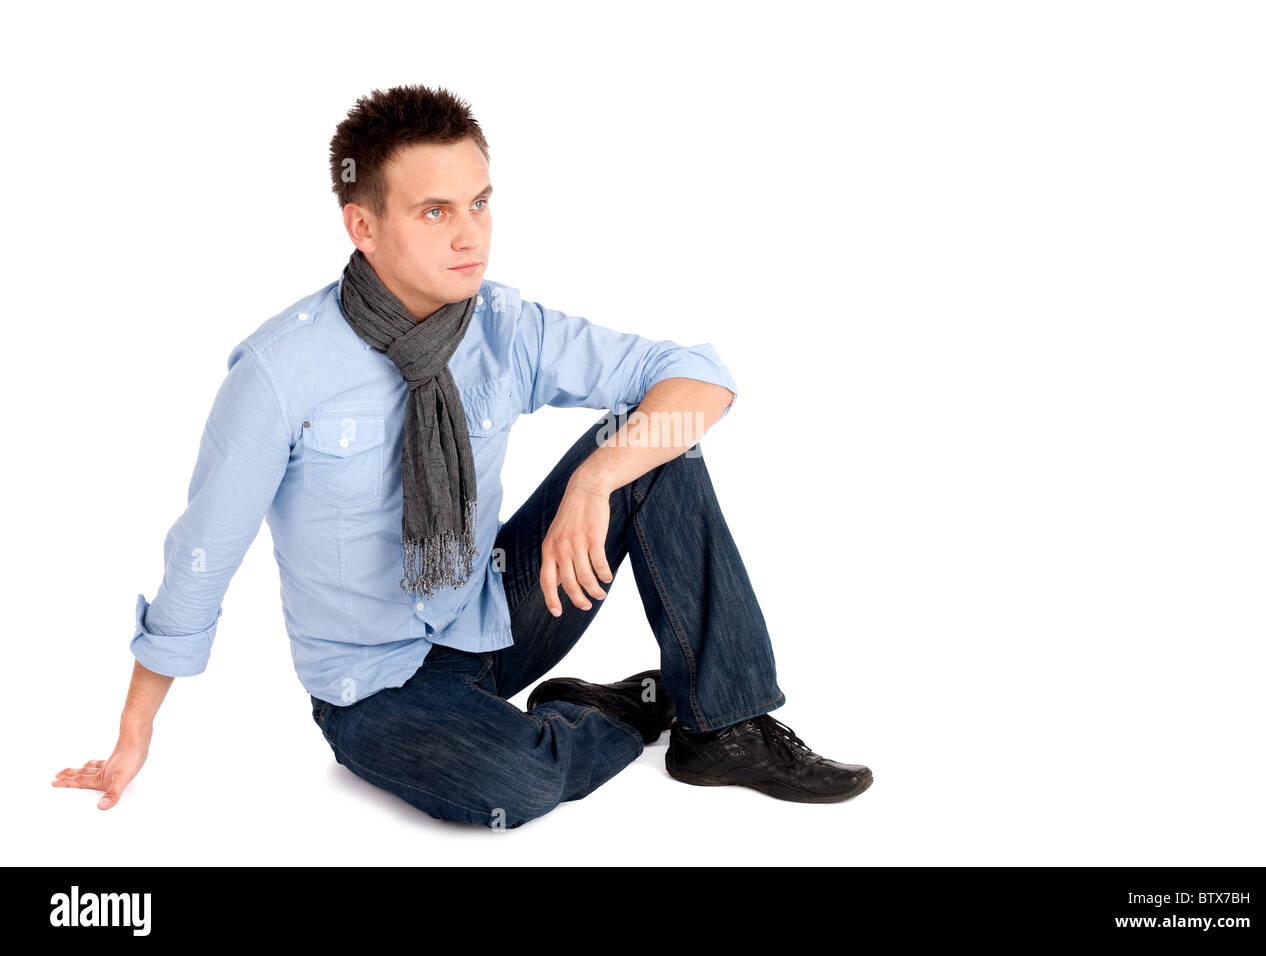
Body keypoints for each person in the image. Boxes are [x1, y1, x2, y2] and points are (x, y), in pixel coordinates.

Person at [53, 84, 872, 828]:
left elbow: (700, 379)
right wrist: (133, 734)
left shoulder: (503, 325)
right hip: (374, 692)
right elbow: (203, 554)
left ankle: (722, 728)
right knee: (515, 785)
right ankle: (618, 713)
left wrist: (595, 478)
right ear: (362, 224)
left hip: (492, 616)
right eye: (435, 212)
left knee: (656, 448)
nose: (470, 235)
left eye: (480, 204)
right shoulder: (278, 375)